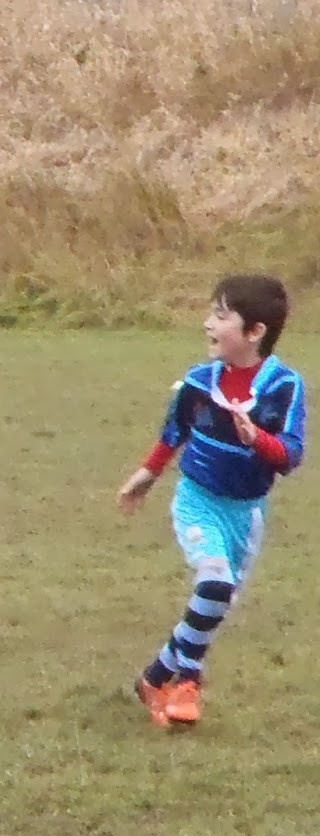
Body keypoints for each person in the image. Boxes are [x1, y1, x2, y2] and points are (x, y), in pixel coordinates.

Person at [117, 275, 305, 727]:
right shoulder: (200, 382)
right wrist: (146, 475)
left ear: (254, 332)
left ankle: (154, 676)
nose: (208, 324)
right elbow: (173, 434)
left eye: (220, 316)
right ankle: (187, 684)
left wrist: (257, 438)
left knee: (215, 605)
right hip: (197, 501)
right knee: (215, 585)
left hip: (247, 513)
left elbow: (291, 456)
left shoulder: (284, 387)